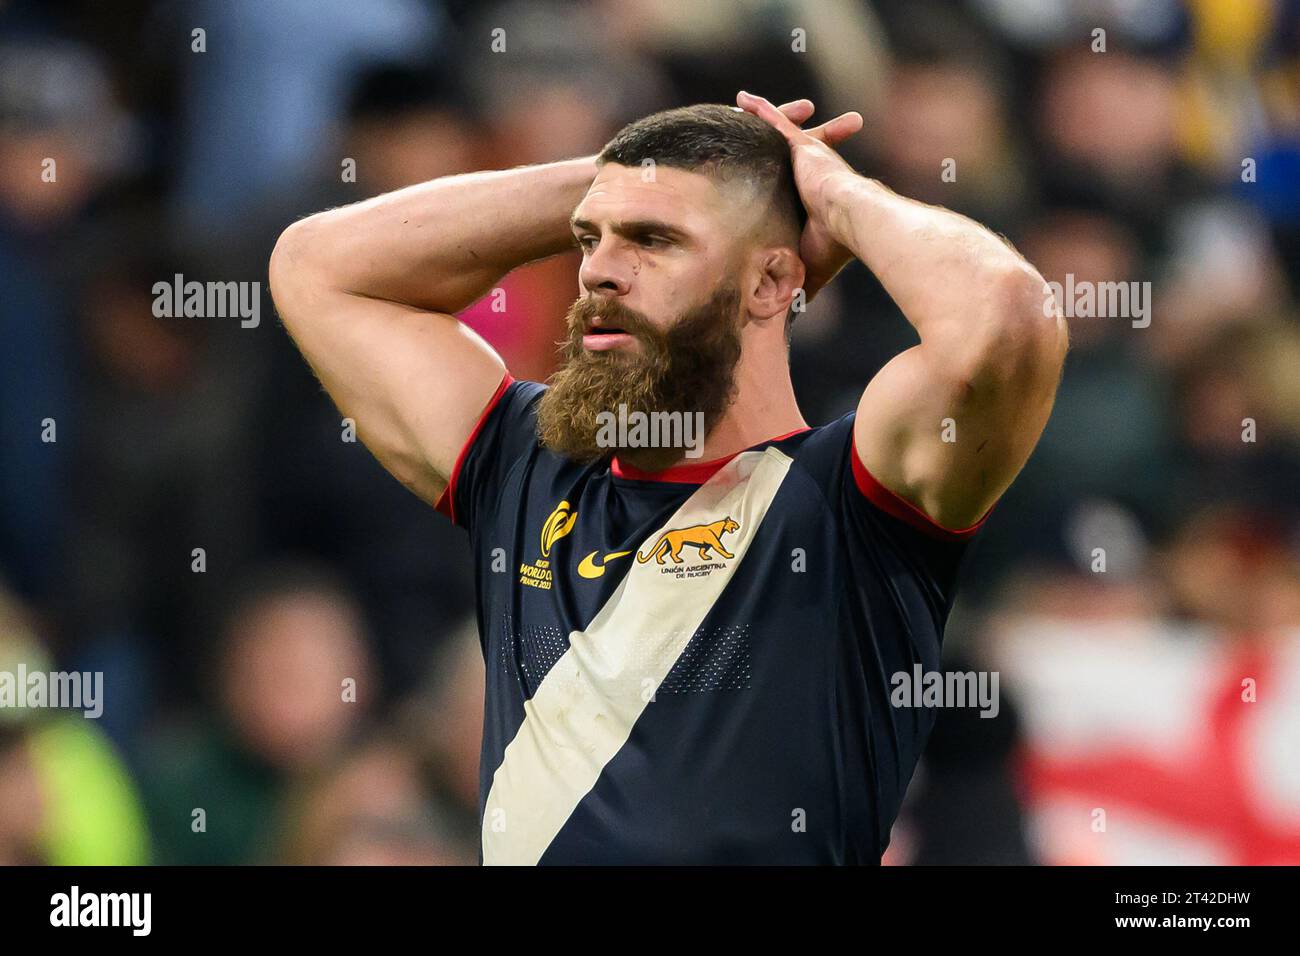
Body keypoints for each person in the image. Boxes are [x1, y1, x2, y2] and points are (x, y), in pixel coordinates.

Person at [269, 92, 1068, 864]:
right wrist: (629, 172)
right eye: (589, 239)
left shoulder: (852, 497)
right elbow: (316, 267)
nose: (598, 273)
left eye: (653, 241)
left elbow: (1009, 317)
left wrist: (831, 191)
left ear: (769, 282)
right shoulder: (524, 463)